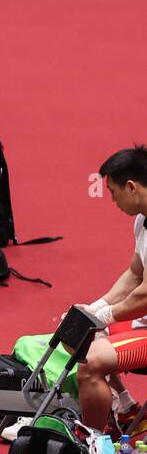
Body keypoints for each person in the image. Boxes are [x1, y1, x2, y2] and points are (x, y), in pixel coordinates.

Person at [67, 147, 147, 431]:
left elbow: (145, 294)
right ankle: (124, 407)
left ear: (131, 187)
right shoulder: (142, 220)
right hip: (142, 324)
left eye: (113, 193)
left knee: (90, 363)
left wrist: (107, 316)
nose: (112, 200)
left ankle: (94, 447)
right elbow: (135, 275)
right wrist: (95, 308)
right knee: (75, 333)